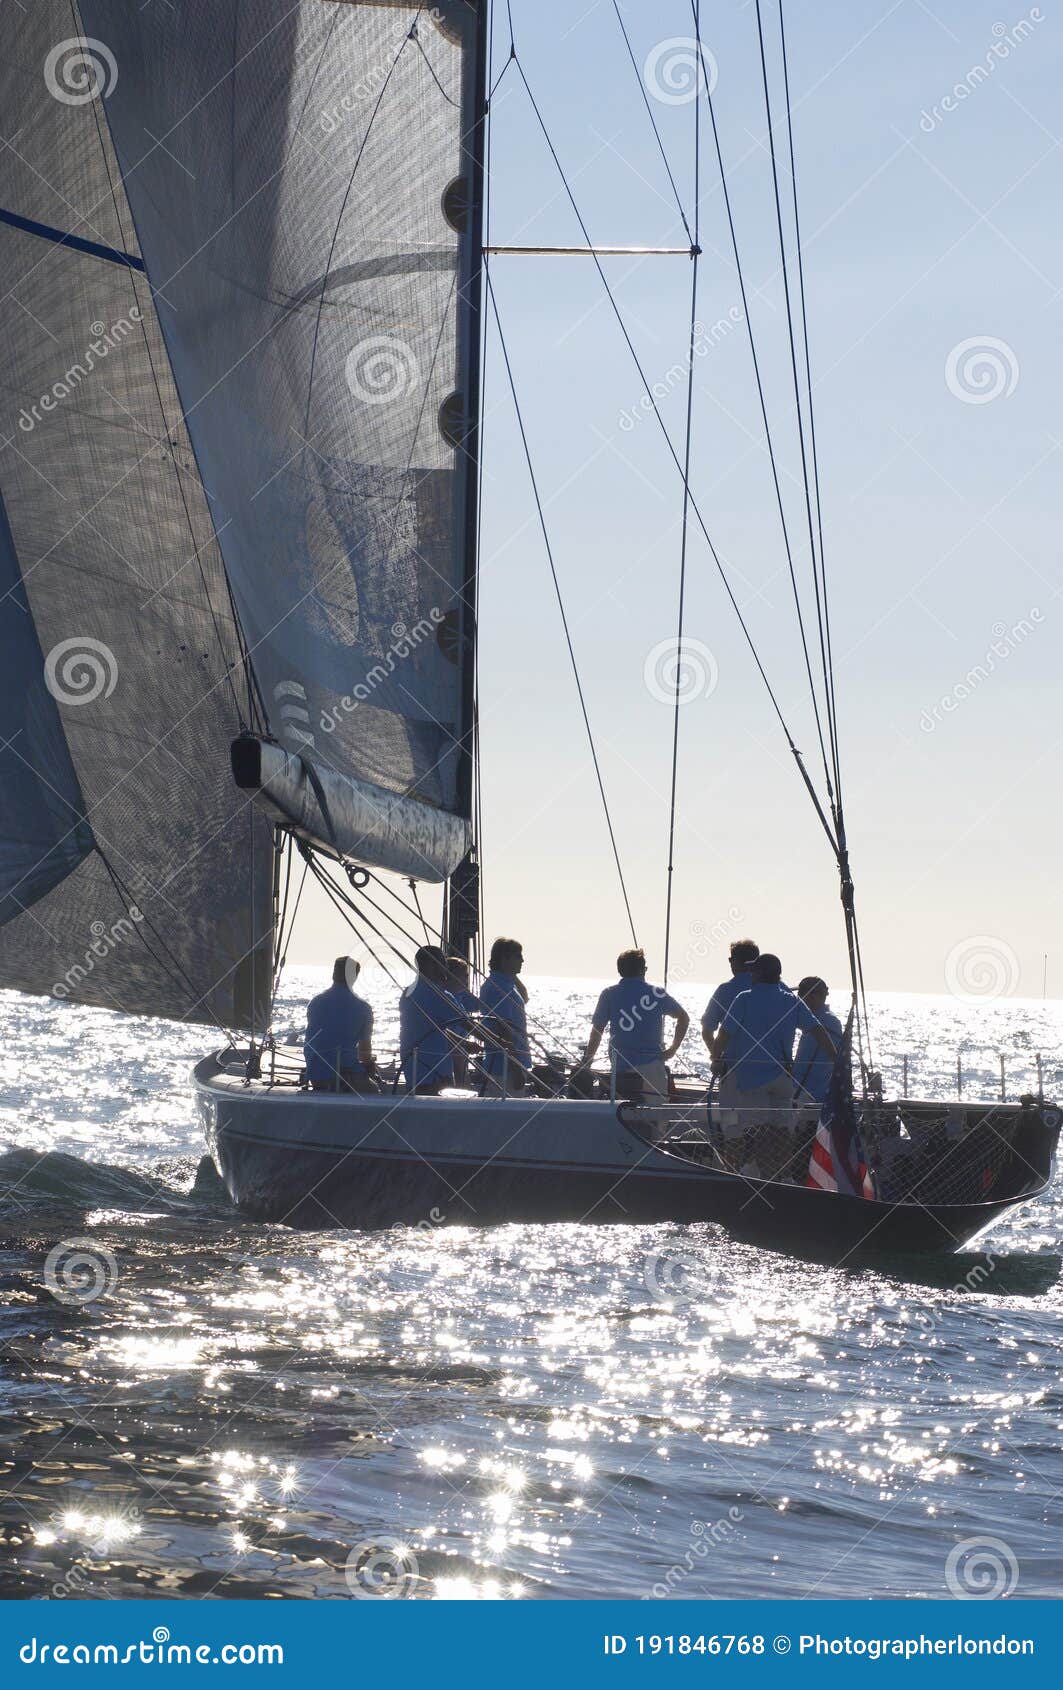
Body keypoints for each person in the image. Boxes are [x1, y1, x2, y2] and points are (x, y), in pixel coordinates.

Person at [718, 954, 836, 1163]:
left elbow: (724, 1035)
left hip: (752, 1079)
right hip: (782, 1078)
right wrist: (836, 1059)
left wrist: (715, 1058)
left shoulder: (744, 998)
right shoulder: (791, 1000)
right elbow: (818, 1030)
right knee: (782, 1129)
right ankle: (783, 1175)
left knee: (753, 1128)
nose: (751, 974)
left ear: (759, 974)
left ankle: (753, 1171)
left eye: (753, 970)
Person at [577, 948, 689, 1103]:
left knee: (622, 1119)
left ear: (620, 970)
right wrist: (672, 1049)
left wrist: (588, 1060)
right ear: (642, 970)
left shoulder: (609, 994)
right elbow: (683, 1017)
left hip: (622, 1071)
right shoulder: (657, 993)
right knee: (656, 1120)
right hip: (652, 1070)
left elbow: (597, 1031)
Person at [304, 956, 378, 1092]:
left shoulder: (315, 1003)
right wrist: (370, 1065)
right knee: (375, 1090)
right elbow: (364, 1054)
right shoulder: (363, 1008)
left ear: (333, 974)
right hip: (344, 1076)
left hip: (316, 1074)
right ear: (354, 977)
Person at [701, 938, 759, 1111]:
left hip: (735, 1071)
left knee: (732, 1126)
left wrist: (717, 1058)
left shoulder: (725, 991)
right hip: (772, 1072)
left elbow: (707, 1030)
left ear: (735, 961)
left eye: (730, 959)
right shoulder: (781, 989)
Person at [399, 945, 465, 1094]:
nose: (446, 966)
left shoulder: (408, 992)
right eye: (442, 961)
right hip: (435, 1076)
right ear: (430, 965)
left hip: (413, 1071)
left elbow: (433, 1027)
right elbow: (466, 1023)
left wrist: (465, 1043)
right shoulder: (439, 995)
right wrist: (498, 1041)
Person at [478, 937, 531, 1095]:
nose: (522, 960)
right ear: (504, 958)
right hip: (504, 1068)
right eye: (518, 956)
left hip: (511, 1065)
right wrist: (515, 1067)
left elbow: (525, 997)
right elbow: (503, 1028)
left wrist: (511, 973)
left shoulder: (506, 983)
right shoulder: (498, 987)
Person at [792, 976, 844, 1105]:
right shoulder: (824, 1018)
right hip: (808, 1090)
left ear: (813, 996)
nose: (798, 999)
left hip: (810, 1092)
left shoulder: (824, 1020)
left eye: (801, 995)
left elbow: (808, 1057)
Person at [446, 953, 483, 1088]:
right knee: (461, 1083)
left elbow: (480, 1005)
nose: (467, 978)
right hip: (453, 1048)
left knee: (463, 1079)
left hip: (461, 1048)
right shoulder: (446, 998)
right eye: (464, 975)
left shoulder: (461, 996)